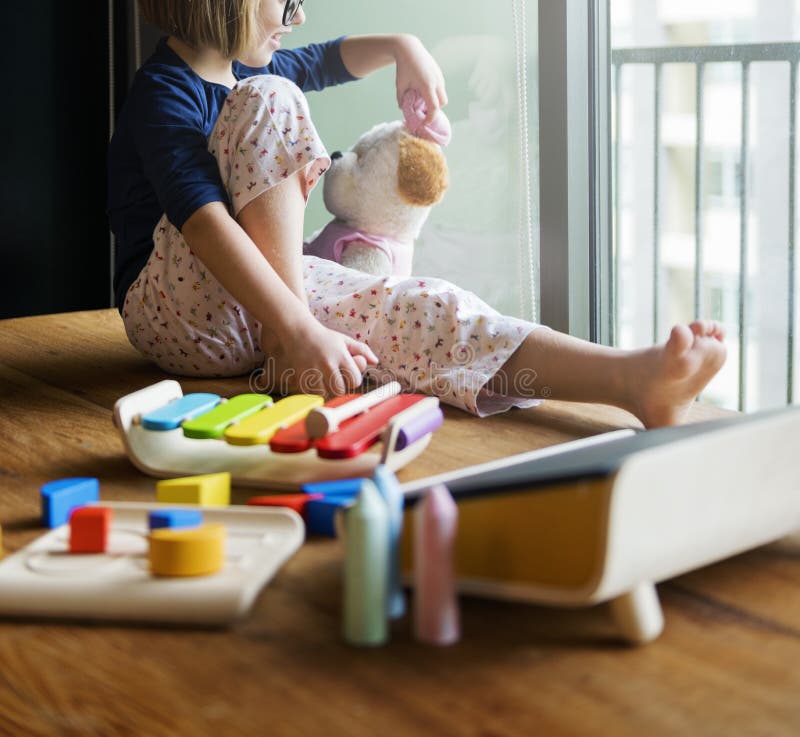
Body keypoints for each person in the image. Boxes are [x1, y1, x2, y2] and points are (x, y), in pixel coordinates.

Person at [109, 0, 726, 428]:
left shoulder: (250, 63)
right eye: (288, 2)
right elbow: (204, 223)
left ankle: (629, 382)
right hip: (176, 315)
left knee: (418, 308)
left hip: (263, 307)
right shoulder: (167, 91)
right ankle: (289, 343)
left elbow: (328, 58)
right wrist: (297, 327)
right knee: (272, 96)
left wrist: (406, 48)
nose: (298, 19)